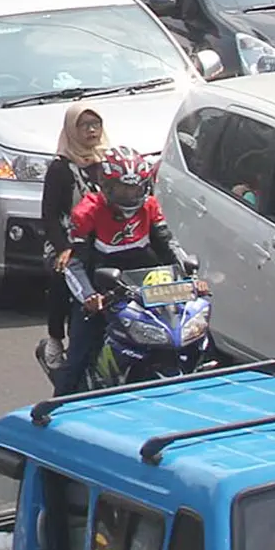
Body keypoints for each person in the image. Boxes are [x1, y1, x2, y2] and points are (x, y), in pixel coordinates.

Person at [54, 146, 196, 396]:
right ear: (107, 187)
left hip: (143, 289)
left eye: (135, 189)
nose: (130, 195)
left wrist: (192, 278)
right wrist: (89, 297)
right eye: (123, 189)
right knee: (78, 357)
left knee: (191, 338)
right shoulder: (87, 211)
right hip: (100, 292)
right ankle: (55, 408)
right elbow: (75, 264)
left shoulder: (150, 206)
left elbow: (169, 245)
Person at [37, 105, 111, 374]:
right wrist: (63, 248)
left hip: (104, 238)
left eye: (96, 124)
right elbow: (49, 216)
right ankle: (55, 339)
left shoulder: (109, 162)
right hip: (66, 240)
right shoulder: (60, 168)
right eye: (84, 125)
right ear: (71, 130)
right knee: (62, 276)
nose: (91, 130)